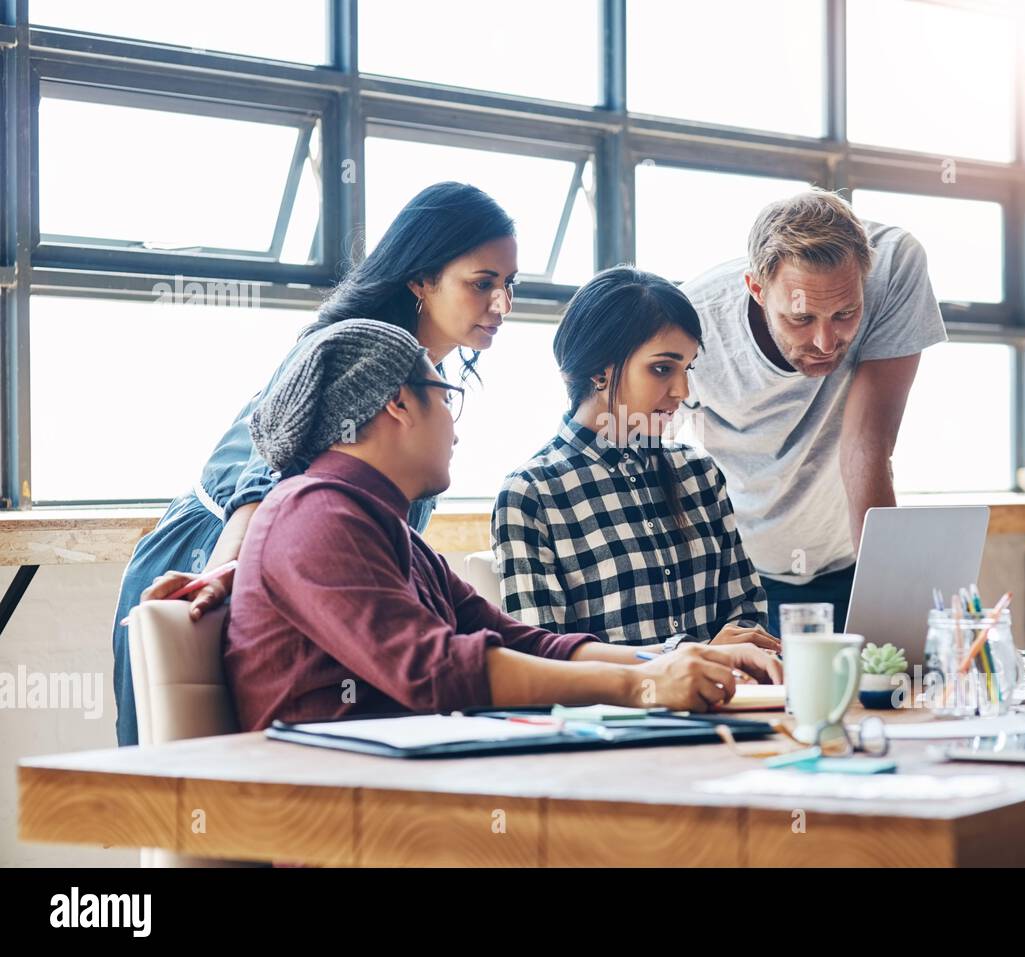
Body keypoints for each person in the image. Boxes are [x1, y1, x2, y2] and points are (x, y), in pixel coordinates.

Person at [110, 182, 519, 745]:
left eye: (508, 285)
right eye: (482, 284)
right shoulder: (343, 349)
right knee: (191, 780)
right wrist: (227, 573)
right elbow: (263, 485)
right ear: (422, 279)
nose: (501, 305)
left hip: (286, 558)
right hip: (219, 543)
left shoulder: (425, 381)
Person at [225, 319, 781, 727]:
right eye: (447, 399)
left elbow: (525, 642)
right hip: (354, 826)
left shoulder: (377, 525)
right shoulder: (318, 515)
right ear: (398, 404)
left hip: (411, 799)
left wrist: (676, 659)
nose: (455, 428)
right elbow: (436, 673)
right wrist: (642, 685)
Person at [680, 188, 946, 633]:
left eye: (846, 313)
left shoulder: (895, 265)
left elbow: (865, 445)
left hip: (852, 558)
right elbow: (647, 455)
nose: (826, 343)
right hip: (744, 577)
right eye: (801, 319)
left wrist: (892, 609)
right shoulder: (693, 323)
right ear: (757, 289)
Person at [492, 267, 775, 653]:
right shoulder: (532, 493)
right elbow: (544, 657)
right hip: (610, 713)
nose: (683, 391)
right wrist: (693, 656)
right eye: (662, 368)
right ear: (598, 371)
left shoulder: (700, 473)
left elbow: (747, 614)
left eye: (687, 368)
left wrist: (721, 657)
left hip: (728, 705)